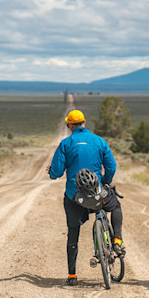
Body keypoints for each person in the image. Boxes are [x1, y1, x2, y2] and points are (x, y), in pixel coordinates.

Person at [48, 109, 124, 286]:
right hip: (97, 193)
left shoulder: (66, 144)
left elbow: (56, 172)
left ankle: (72, 275)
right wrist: (105, 181)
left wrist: (51, 172)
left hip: (74, 196)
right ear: (84, 122)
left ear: (70, 125)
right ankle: (117, 240)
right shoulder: (99, 141)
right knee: (115, 207)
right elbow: (111, 167)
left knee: (73, 232)